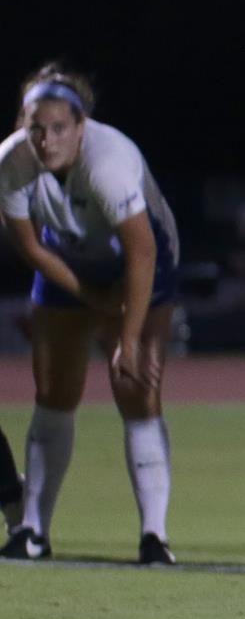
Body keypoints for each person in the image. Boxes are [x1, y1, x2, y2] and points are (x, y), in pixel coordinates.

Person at [0, 65, 182, 563]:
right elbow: (32, 249)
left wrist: (125, 333)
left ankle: (154, 536)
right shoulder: (11, 161)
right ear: (23, 123)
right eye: (36, 127)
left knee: (137, 388)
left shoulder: (110, 162)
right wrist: (91, 296)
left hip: (140, 260)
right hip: (67, 258)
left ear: (81, 127)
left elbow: (142, 252)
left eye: (60, 128)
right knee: (53, 393)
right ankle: (33, 531)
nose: (47, 139)